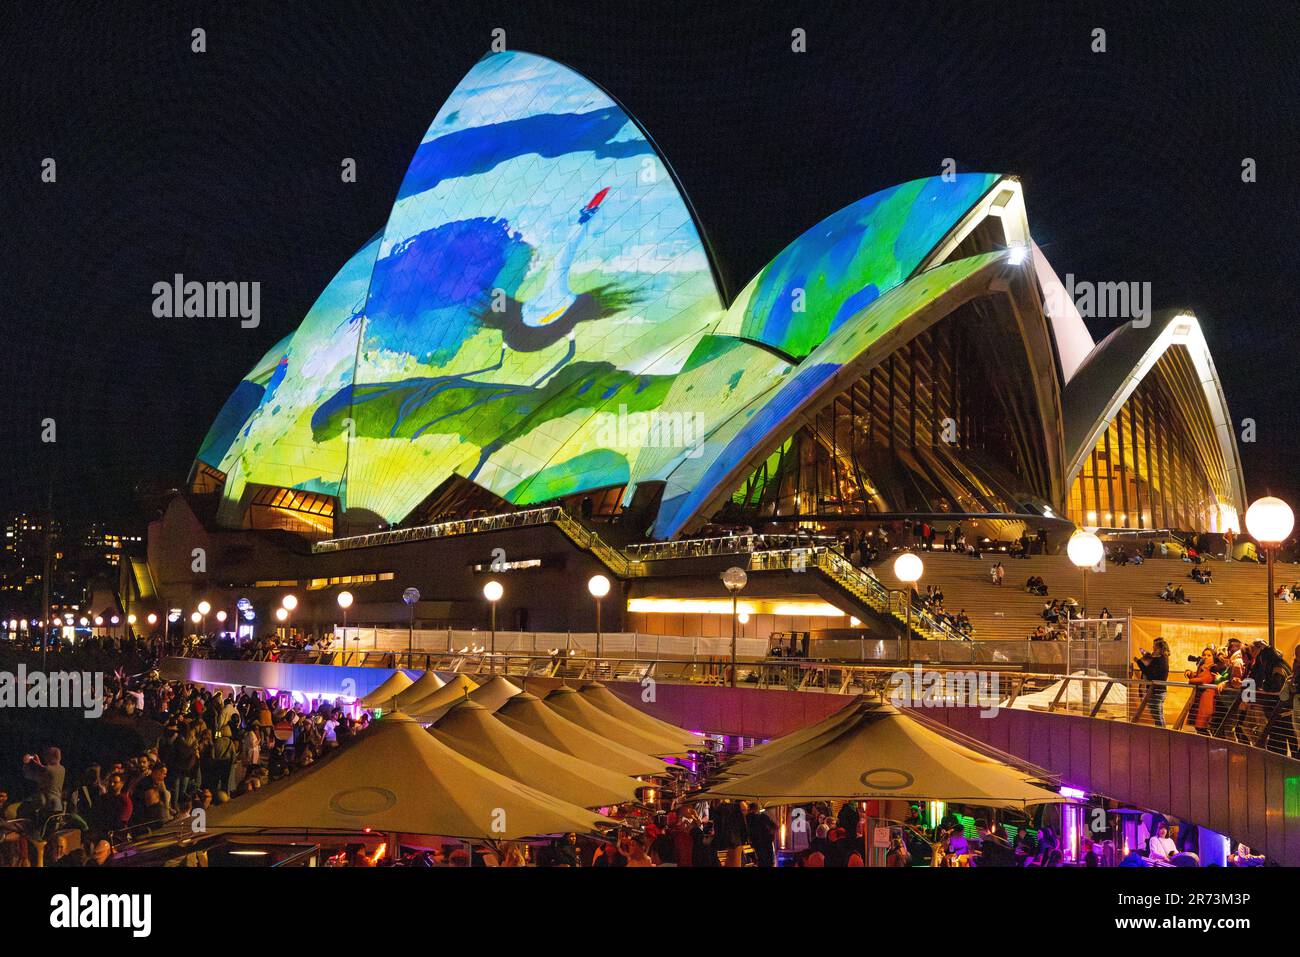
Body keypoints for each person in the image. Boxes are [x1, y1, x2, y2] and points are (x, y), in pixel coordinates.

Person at [21, 746, 66, 817]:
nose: (44, 758)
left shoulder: (47, 770)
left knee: (22, 808)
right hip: (58, 805)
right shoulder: (62, 769)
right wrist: (39, 764)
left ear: (50, 757)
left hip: (46, 806)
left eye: (46, 755)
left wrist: (25, 763)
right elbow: (48, 770)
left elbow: (28, 775)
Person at [1135, 639, 1171, 727]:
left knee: (1157, 714)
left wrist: (1139, 662)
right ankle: (1161, 731)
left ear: (1160, 649)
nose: (1153, 649)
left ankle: (1161, 732)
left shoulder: (1159, 660)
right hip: (1158, 690)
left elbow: (1148, 672)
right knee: (1157, 714)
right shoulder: (1162, 659)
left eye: (1155, 647)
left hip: (1156, 691)